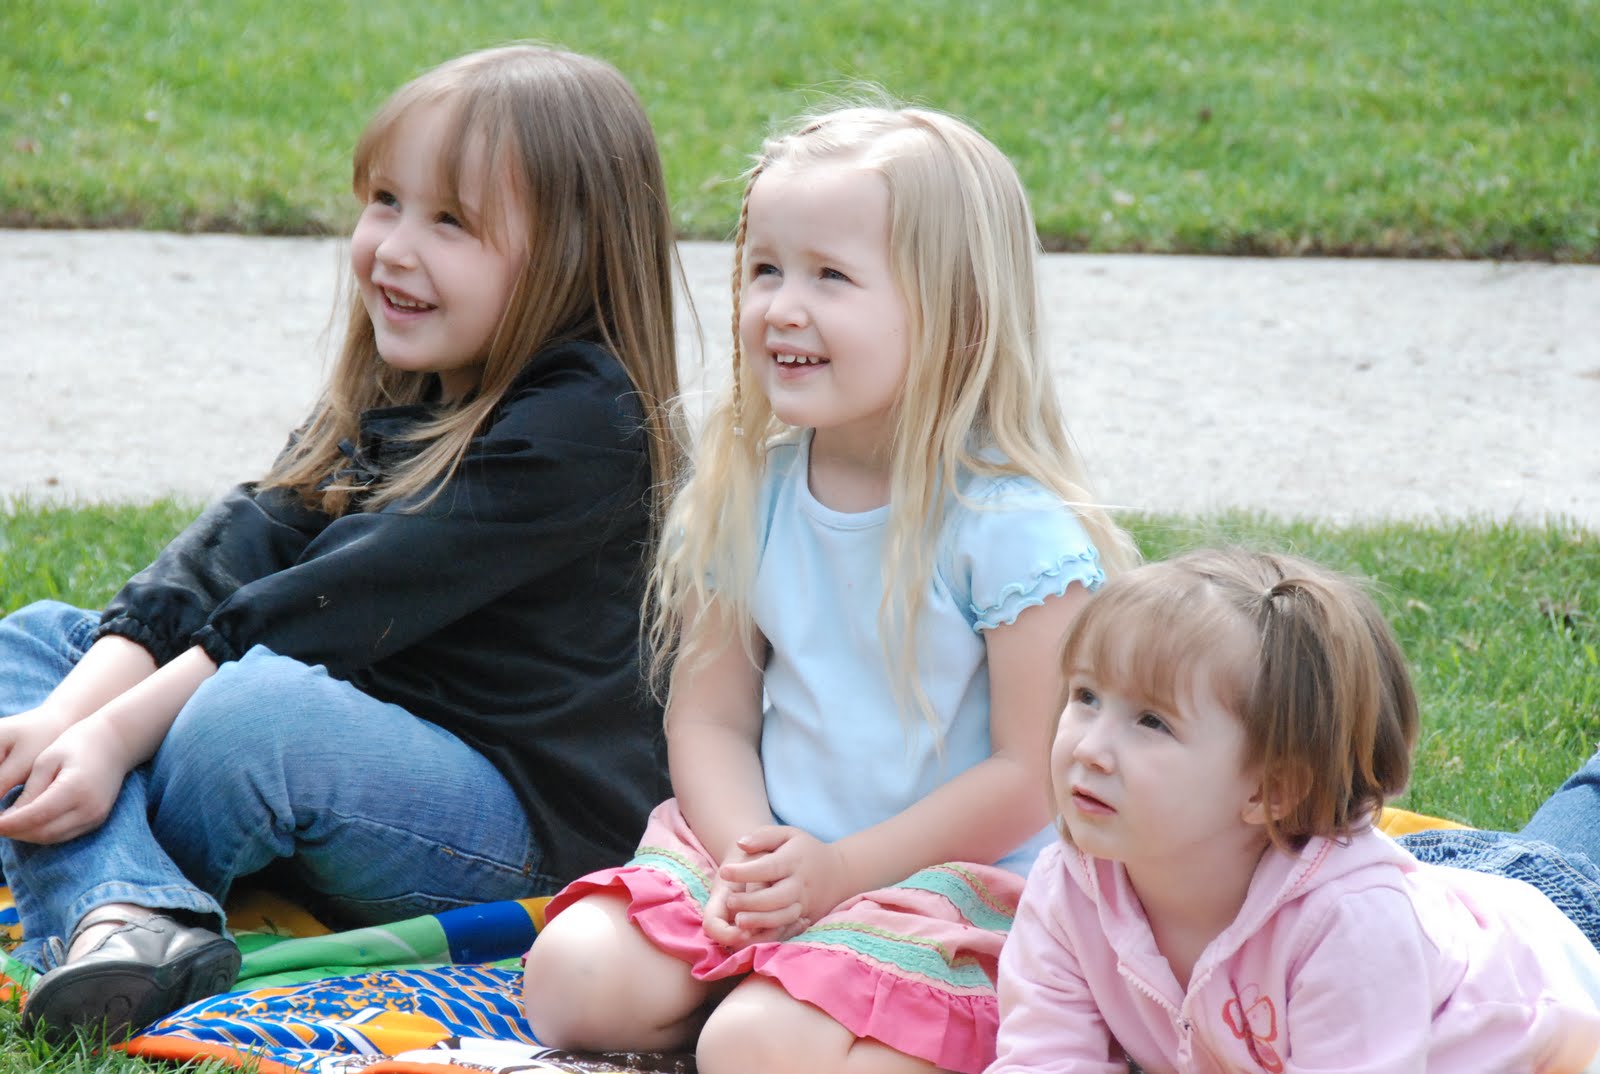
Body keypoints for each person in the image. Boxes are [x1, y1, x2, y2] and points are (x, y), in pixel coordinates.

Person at [0, 43, 683, 1042]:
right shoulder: (416, 377)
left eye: (450, 221)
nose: (393, 247)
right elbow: (243, 543)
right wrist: (71, 713)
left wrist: (106, 738)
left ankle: (103, 877)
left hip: (516, 824)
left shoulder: (587, 425)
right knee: (38, 641)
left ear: (571, 252)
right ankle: (128, 912)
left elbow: (324, 610)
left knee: (246, 717)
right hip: (354, 734)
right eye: (385, 201)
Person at [521, 103, 1137, 1074]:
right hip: (777, 847)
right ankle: (800, 986)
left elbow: (1032, 773)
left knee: (754, 1051)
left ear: (956, 312)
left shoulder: (1008, 529)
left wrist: (843, 874)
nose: (780, 307)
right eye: (764, 268)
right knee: (571, 981)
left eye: (830, 277)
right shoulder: (748, 492)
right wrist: (748, 856)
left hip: (948, 881)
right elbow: (710, 720)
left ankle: (844, 1007)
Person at [989, 547, 1600, 1074]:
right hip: (1421, 886)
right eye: (1086, 696)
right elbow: (1043, 1058)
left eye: (1152, 722)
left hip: (1556, 937)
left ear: (1271, 790)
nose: (1090, 748)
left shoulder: (1354, 930)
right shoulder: (1071, 885)